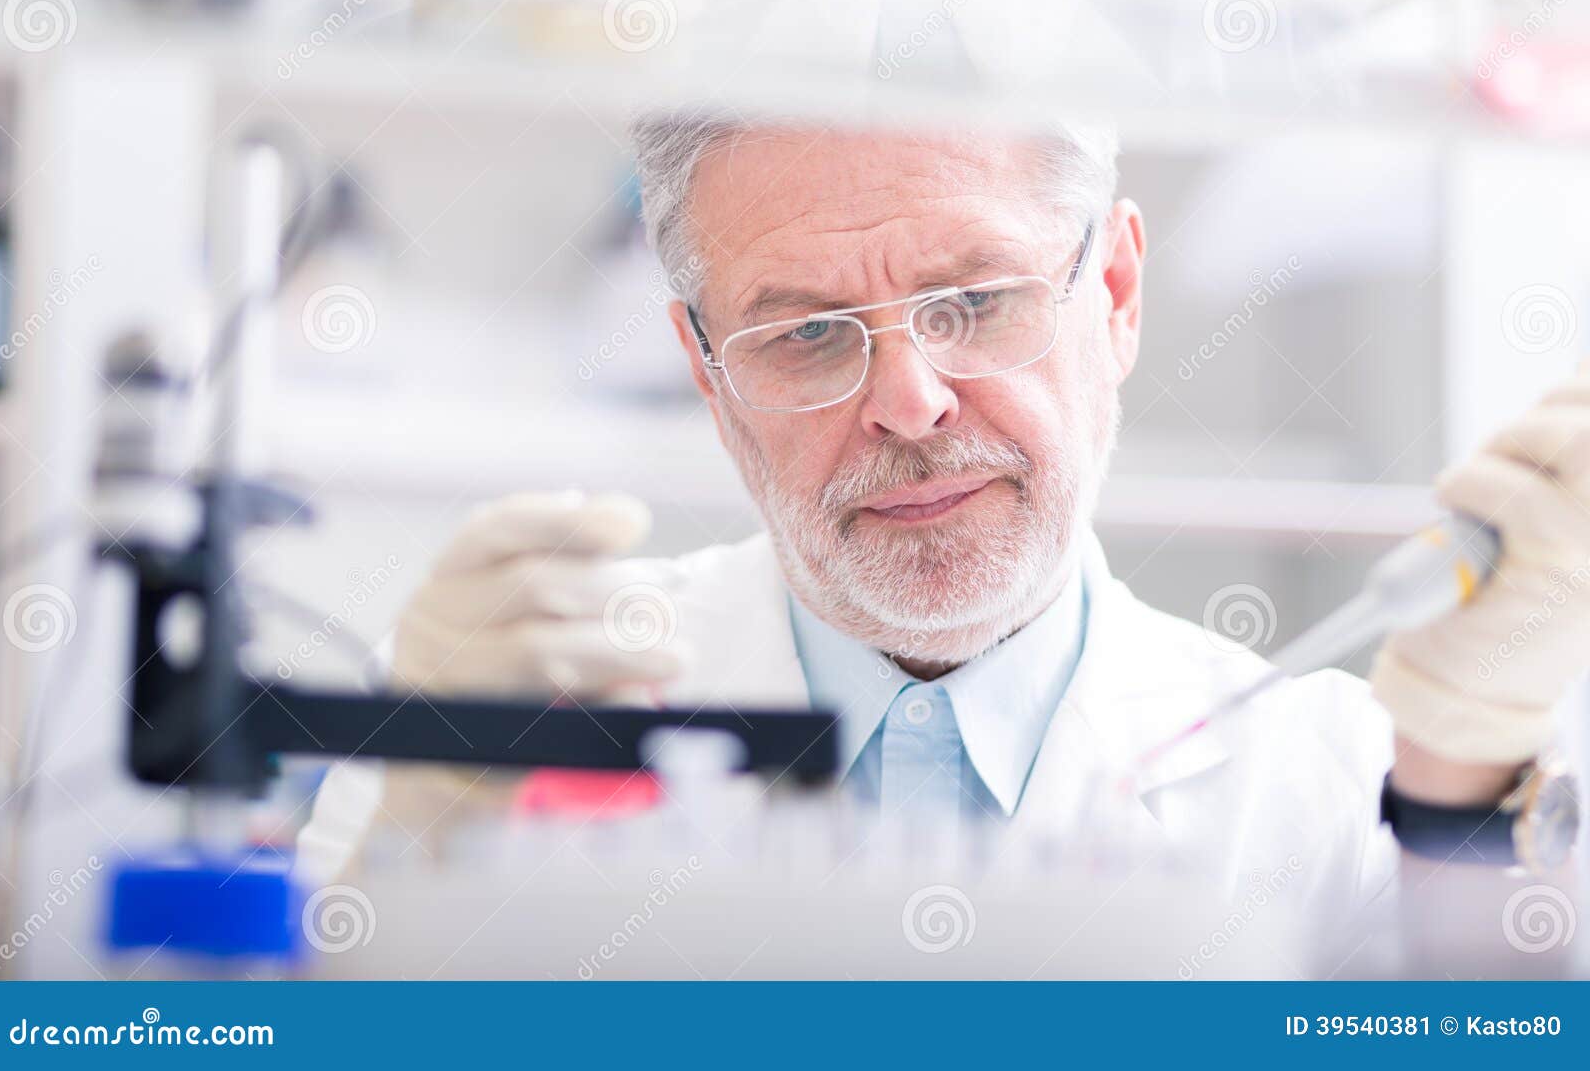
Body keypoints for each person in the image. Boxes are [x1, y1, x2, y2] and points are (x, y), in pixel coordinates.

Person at [299, 119, 1589, 914]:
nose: (909, 404)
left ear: (1119, 291)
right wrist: (418, 839)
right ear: (705, 370)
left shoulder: (1327, 787)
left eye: (973, 299)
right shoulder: (534, 723)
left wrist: (1465, 783)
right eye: (806, 332)